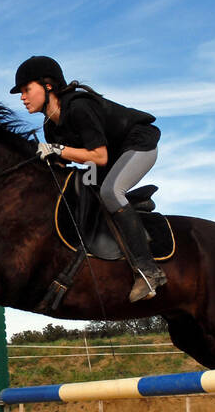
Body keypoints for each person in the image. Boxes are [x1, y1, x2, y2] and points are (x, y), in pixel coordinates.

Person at [11, 55, 164, 302]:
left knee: (110, 192)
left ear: (48, 86)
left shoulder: (79, 107)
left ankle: (148, 272)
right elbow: (62, 167)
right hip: (113, 156)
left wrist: (57, 150)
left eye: (26, 89)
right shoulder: (51, 125)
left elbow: (99, 157)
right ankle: (133, 207)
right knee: (81, 190)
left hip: (138, 144)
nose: (22, 97)